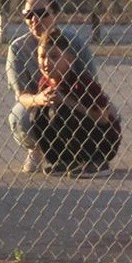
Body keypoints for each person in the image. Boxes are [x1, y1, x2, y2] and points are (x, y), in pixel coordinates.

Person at [6, 0, 101, 173]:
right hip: (39, 104)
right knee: (20, 117)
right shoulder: (18, 48)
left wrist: (67, 98)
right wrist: (39, 99)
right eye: (28, 14)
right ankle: (38, 148)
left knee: (105, 110)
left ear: (55, 15)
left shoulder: (73, 42)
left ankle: (85, 152)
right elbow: (22, 95)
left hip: (72, 100)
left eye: (42, 13)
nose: (35, 19)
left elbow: (92, 83)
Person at [31, 32, 121, 177]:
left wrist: (67, 101)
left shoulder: (81, 82)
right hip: (72, 141)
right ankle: (64, 160)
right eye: (42, 57)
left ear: (69, 60)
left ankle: (96, 161)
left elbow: (103, 118)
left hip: (102, 141)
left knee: (62, 110)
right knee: (37, 113)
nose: (46, 62)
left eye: (54, 57)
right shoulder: (44, 82)